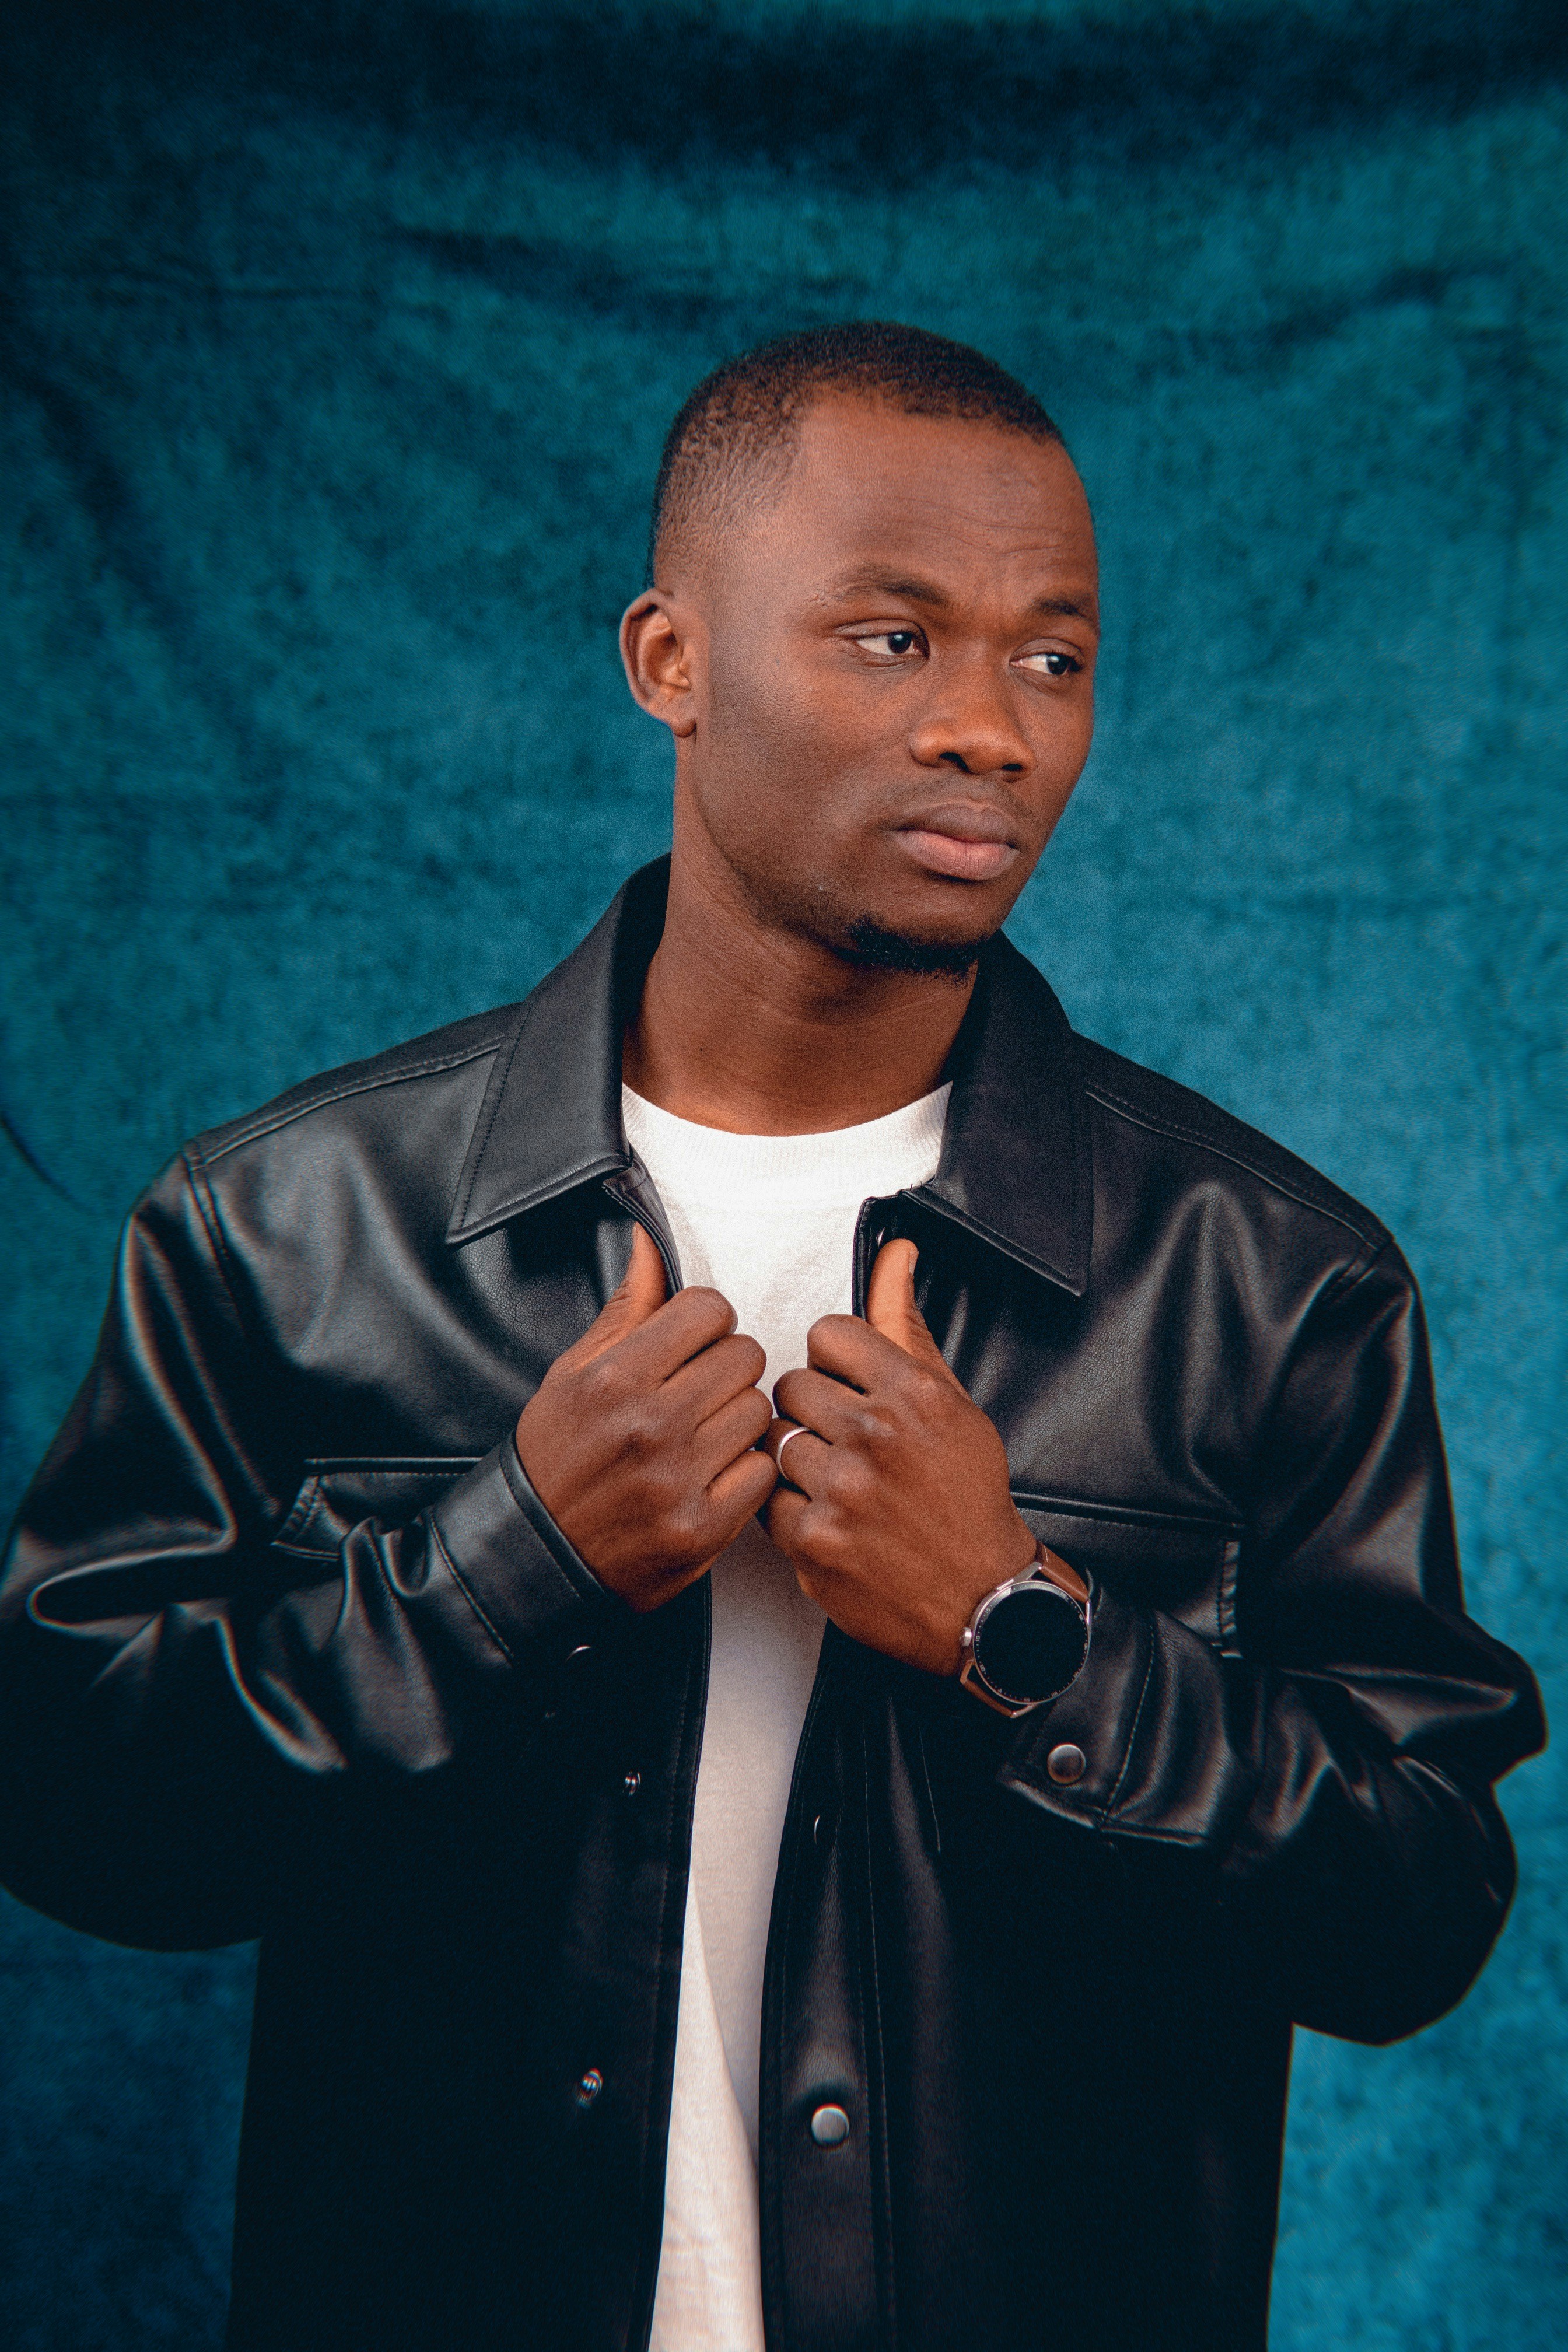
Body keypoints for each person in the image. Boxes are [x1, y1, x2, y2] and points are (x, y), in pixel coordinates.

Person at [0, 323, 1544, 2352]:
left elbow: (1412, 1909)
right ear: (671, 660)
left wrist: (1025, 1624)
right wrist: (498, 1571)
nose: (992, 729)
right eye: (894, 640)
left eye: (1052, 658)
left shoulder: (1269, 1282)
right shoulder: (289, 1225)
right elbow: (78, 1811)